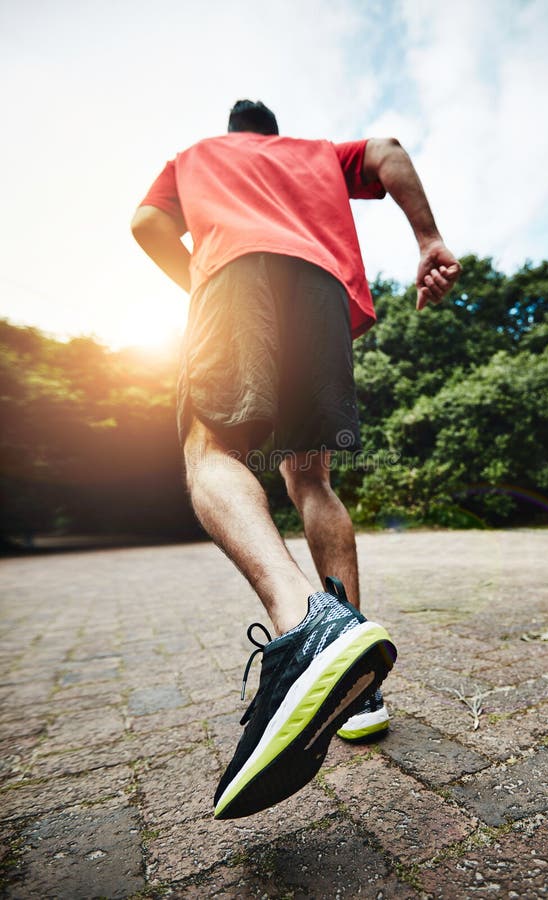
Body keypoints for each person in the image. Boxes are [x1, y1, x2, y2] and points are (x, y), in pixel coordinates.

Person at [131, 99, 460, 819]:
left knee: (210, 449)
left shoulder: (196, 157)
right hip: (320, 292)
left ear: (233, 130)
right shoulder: (316, 154)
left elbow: (146, 222)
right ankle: (358, 687)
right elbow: (388, 149)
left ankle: (306, 625)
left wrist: (199, 283)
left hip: (233, 277)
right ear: (273, 132)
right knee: (310, 479)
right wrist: (429, 238)